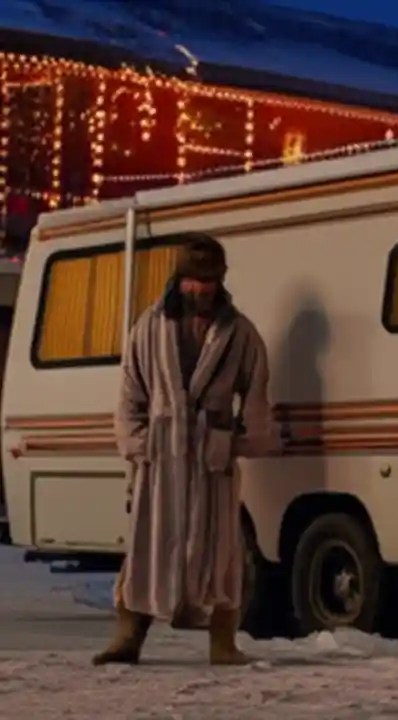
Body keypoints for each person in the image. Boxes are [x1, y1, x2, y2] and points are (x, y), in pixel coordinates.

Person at [93, 234, 279, 666]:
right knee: (147, 548)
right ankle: (128, 637)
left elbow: (256, 391)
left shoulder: (239, 332)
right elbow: (130, 394)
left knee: (221, 552)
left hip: (212, 458)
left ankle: (223, 642)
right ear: (179, 279)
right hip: (159, 458)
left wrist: (243, 440)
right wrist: (138, 443)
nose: (202, 289)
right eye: (195, 280)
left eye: (210, 280)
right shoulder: (148, 327)